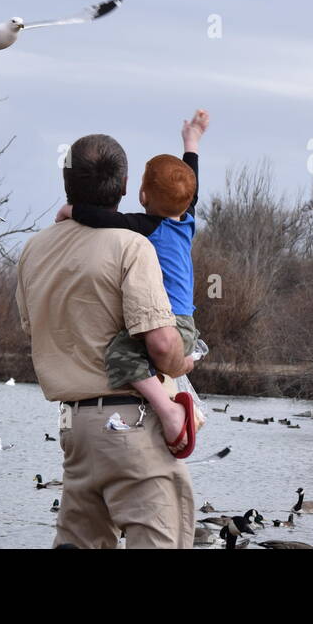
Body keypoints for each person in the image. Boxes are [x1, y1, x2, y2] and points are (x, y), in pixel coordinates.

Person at [15, 130, 196, 549]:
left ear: (67, 184)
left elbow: (34, 329)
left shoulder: (34, 250)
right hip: (131, 425)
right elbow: (164, 346)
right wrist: (184, 363)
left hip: (75, 430)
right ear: (126, 188)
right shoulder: (133, 246)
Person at [55, 110, 208, 456]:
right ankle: (190, 359)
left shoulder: (145, 226)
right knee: (144, 353)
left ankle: (169, 411)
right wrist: (191, 142)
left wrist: (71, 212)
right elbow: (192, 181)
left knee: (121, 354)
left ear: (140, 195)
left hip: (171, 323)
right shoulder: (186, 220)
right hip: (184, 319)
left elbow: (101, 218)